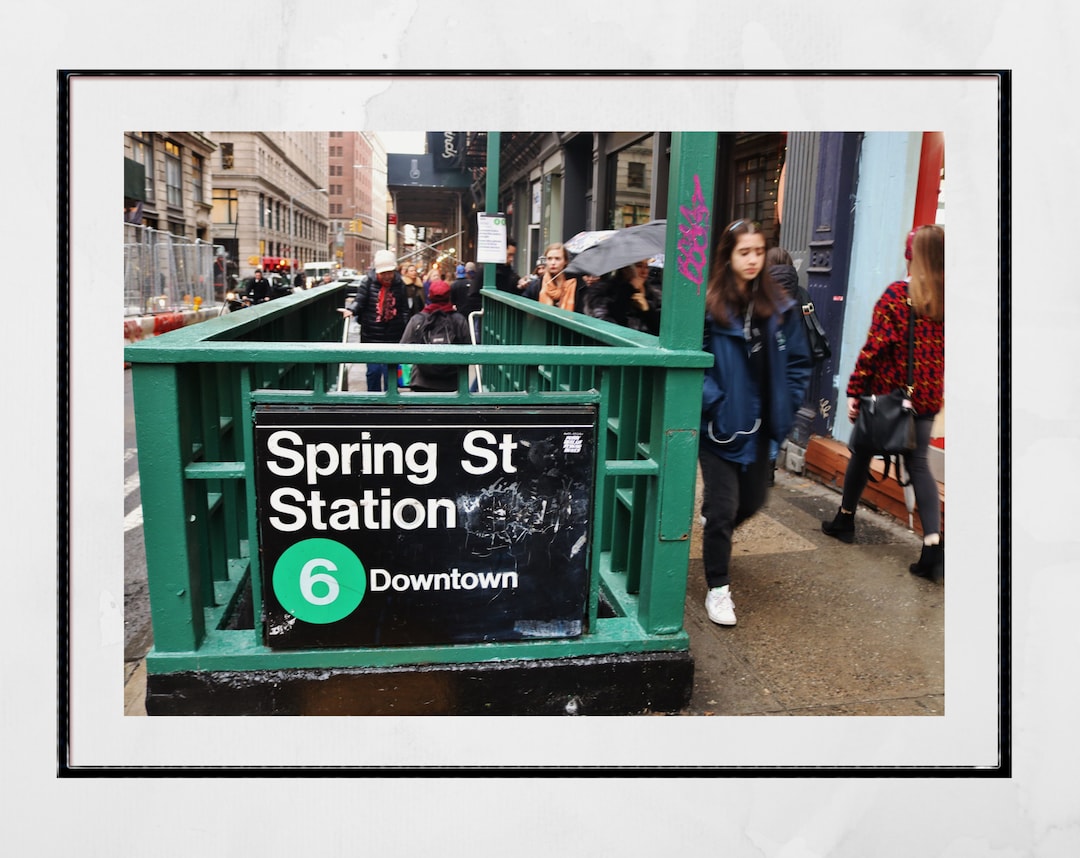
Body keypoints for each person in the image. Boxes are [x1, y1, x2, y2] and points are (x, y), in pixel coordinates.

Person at [699, 219, 812, 626]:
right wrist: (715, 403)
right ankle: (718, 588)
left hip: (764, 424)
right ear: (728, 256)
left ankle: (715, 527)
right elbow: (696, 363)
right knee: (724, 509)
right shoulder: (710, 306)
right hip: (721, 427)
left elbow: (798, 362)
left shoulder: (780, 306)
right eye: (743, 252)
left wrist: (787, 404)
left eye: (758, 252)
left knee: (753, 502)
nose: (752, 260)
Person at [821, 224, 945, 582]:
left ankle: (845, 519)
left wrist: (855, 391)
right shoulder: (947, 301)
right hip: (926, 398)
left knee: (861, 451)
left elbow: (874, 349)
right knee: (919, 465)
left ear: (910, 255)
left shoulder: (897, 296)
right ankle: (932, 547)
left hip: (889, 398)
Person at [337, 249, 412, 392]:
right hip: (371, 335)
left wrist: (405, 329)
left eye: (390, 272)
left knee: (390, 372)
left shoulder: (399, 284)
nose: (387, 276)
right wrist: (351, 310)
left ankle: (390, 399)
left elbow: (404, 309)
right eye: (384, 273)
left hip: (394, 334)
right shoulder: (368, 282)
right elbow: (360, 300)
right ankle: (374, 398)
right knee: (373, 371)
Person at [398, 279, 472, 392]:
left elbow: (403, 348)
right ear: (449, 296)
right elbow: (468, 350)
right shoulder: (459, 319)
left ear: (429, 296)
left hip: (421, 381)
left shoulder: (417, 320)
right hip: (452, 382)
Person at [582, 260, 662, 334]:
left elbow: (662, 329)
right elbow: (604, 324)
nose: (644, 272)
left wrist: (647, 310)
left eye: (646, 267)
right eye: (639, 266)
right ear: (625, 268)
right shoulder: (603, 291)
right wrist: (629, 289)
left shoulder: (654, 294)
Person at [536, 242, 578, 311]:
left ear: (565, 261)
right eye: (549, 259)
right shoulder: (539, 283)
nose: (553, 263)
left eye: (557, 259)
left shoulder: (574, 283)